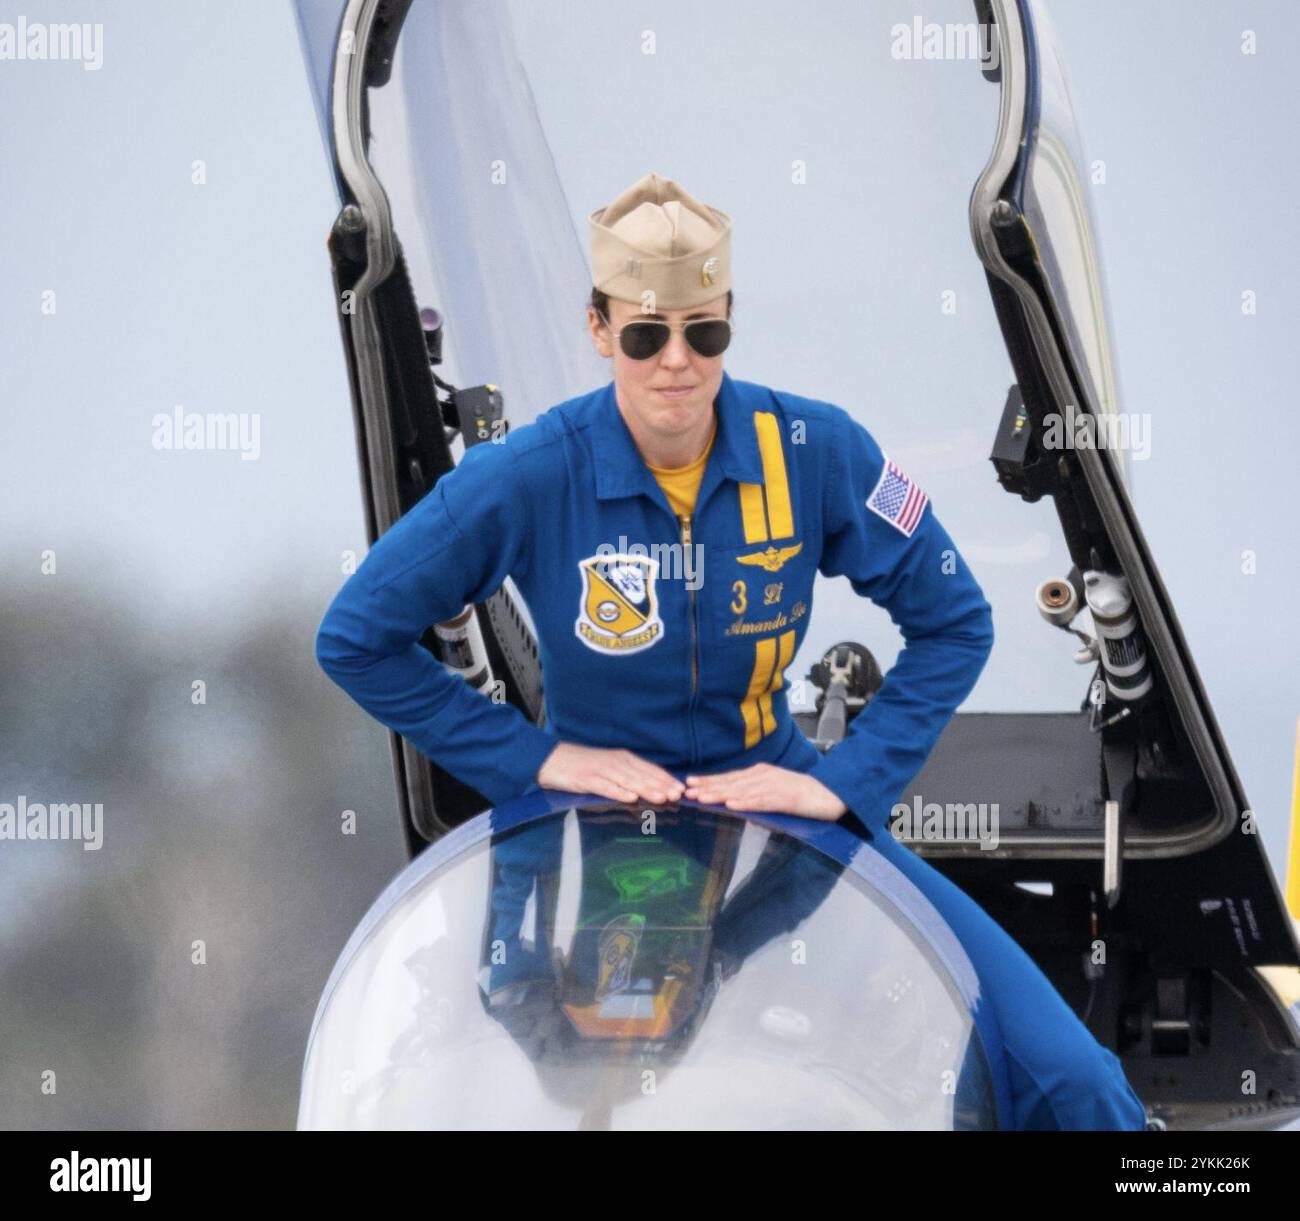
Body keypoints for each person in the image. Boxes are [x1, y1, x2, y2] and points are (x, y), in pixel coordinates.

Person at [315, 170, 1148, 1132]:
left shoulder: (814, 450)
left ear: (729, 323)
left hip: (783, 825)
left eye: (703, 331)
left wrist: (844, 785)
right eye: (644, 334)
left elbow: (956, 618)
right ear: (598, 330)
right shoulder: (533, 473)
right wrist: (537, 761)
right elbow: (355, 637)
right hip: (583, 828)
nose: (678, 361)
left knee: (1075, 1086)